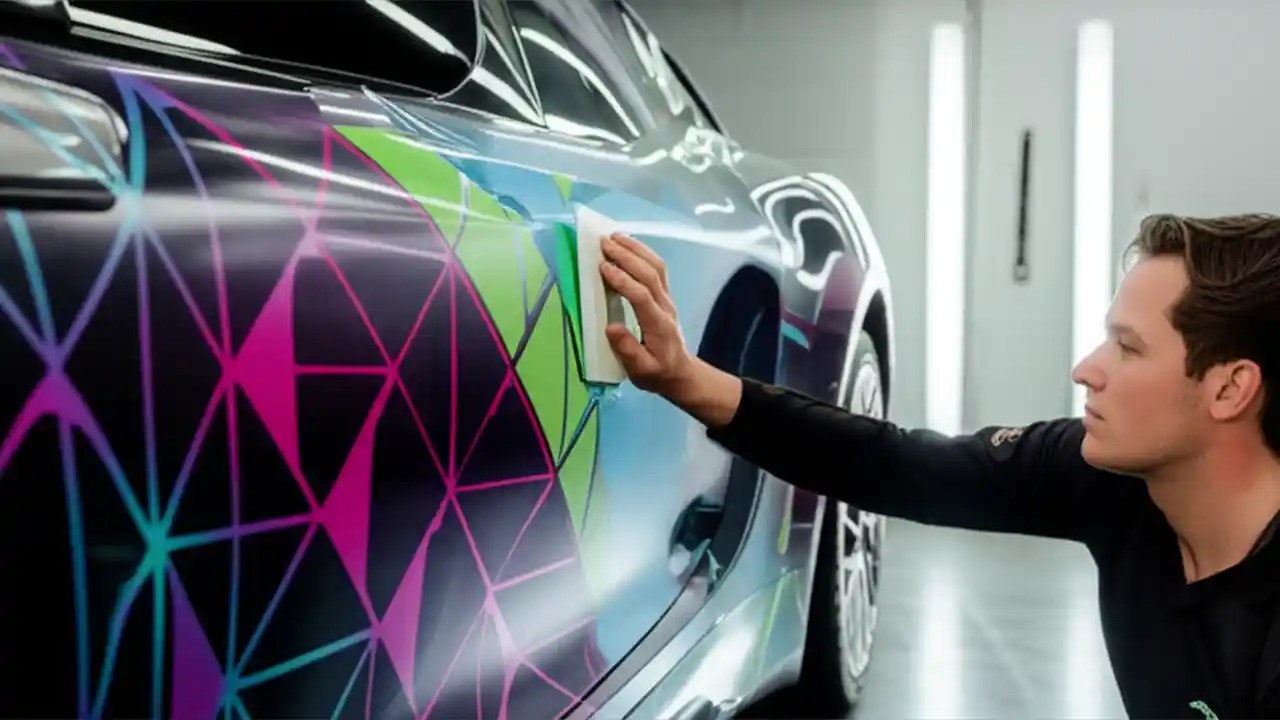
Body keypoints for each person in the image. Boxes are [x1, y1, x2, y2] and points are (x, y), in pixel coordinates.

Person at [596, 213, 1280, 719]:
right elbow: (896, 464)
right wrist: (683, 377)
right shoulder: (1112, 482)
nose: (1086, 370)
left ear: (1229, 388)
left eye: (1127, 349)